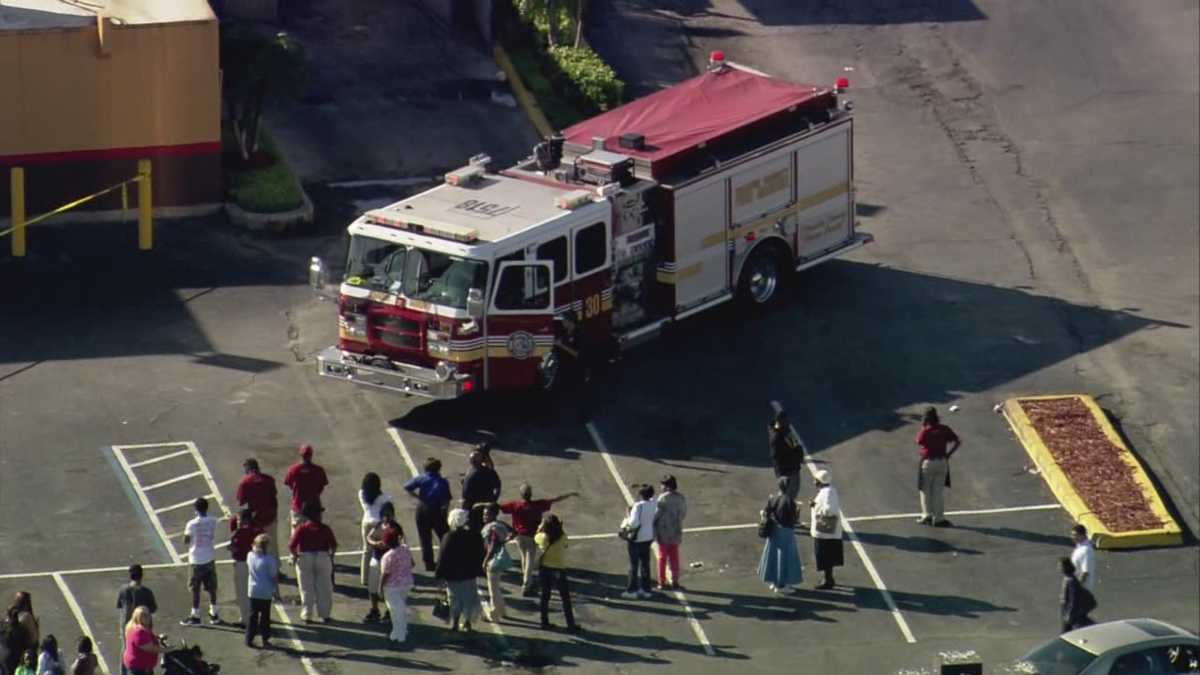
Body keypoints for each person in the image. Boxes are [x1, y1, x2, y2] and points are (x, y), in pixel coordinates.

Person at [500, 484, 579, 597]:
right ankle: (526, 585)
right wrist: (569, 494)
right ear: (531, 494)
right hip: (531, 537)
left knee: (524, 558)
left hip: (519, 536)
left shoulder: (515, 505)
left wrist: (479, 504)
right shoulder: (537, 505)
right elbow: (555, 499)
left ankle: (527, 581)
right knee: (530, 560)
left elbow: (499, 507)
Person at [434, 508, 485, 632]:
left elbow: (442, 557)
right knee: (469, 599)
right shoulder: (474, 535)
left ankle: (455, 624)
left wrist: (439, 575)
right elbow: (480, 553)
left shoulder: (448, 537)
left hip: (453, 576)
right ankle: (467, 623)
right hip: (469, 574)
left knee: (454, 599)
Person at [289, 502, 337, 623]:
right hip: (322, 557)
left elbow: (292, 546)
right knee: (324, 588)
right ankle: (325, 614)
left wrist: (296, 556)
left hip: (305, 557)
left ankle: (307, 615)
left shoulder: (301, 528)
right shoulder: (325, 528)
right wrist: (330, 556)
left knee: (306, 589)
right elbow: (333, 546)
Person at [403, 458, 452, 572]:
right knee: (444, 536)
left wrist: (418, 497)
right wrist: (445, 511)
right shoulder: (442, 482)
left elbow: (407, 486)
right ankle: (446, 560)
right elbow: (447, 499)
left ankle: (428, 563)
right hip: (437, 510)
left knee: (425, 538)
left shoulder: (422, 478)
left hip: (423, 509)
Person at [915, 407, 961, 527]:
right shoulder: (944, 429)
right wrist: (949, 454)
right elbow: (957, 441)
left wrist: (923, 427)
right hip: (942, 462)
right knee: (938, 491)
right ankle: (939, 518)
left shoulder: (926, 431)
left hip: (928, 462)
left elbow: (918, 441)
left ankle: (927, 515)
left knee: (925, 490)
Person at [535, 513, 579, 631]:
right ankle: (570, 624)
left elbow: (536, 537)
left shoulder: (543, 537)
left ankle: (544, 622)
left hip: (545, 569)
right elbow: (566, 545)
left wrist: (540, 528)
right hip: (559, 569)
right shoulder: (563, 536)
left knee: (545, 597)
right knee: (565, 598)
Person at [759, 476, 803, 593]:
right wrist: (798, 511)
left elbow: (766, 512)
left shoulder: (773, 498)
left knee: (773, 557)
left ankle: (774, 582)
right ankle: (781, 585)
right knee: (784, 559)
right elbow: (793, 519)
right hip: (786, 533)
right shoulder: (789, 501)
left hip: (774, 531)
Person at [180, 497, 220, 626]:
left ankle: (195, 615)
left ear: (196, 509)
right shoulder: (213, 520)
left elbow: (186, 541)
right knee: (212, 588)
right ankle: (214, 613)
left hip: (196, 560)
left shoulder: (192, 524)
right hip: (209, 557)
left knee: (195, 589)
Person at [364, 501, 403, 623]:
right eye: (384, 514)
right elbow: (369, 537)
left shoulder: (396, 528)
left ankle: (389, 611)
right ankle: (374, 610)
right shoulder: (378, 525)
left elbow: (401, 542)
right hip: (376, 559)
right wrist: (376, 543)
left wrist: (388, 546)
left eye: (389, 514)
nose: (386, 517)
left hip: (389, 562)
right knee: (373, 587)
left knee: (389, 588)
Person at [236, 458, 280, 561]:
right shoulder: (269, 479)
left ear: (248, 469)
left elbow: (241, 501)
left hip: (256, 521)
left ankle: (259, 568)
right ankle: (275, 568)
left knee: (258, 547)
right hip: (270, 517)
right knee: (272, 545)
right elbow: (274, 495)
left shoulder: (245, 482)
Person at [115, 566, 155, 675]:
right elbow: (152, 608)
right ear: (141, 576)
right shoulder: (146, 592)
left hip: (126, 624)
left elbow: (119, 605)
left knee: (126, 648)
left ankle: (123, 672)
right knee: (146, 648)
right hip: (143, 626)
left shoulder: (123, 590)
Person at [379, 529, 416, 647]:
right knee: (399, 608)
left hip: (392, 587)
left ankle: (399, 635)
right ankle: (400, 631)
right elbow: (412, 564)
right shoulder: (405, 549)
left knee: (395, 611)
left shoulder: (387, 556)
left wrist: (380, 588)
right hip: (406, 584)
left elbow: (385, 574)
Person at [809, 469, 844, 589]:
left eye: (816, 480)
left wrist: (815, 506)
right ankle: (828, 578)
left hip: (825, 532)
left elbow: (829, 510)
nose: (814, 482)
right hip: (828, 532)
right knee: (828, 556)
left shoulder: (827, 493)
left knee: (825, 556)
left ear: (820, 481)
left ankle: (828, 580)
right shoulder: (828, 491)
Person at [621, 484, 657, 599]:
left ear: (641, 495)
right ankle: (646, 590)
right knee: (645, 564)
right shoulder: (654, 503)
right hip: (649, 536)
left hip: (637, 538)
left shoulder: (638, 506)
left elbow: (633, 523)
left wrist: (628, 516)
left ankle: (632, 590)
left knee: (634, 565)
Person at [359, 472, 393, 595]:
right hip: (379, 525)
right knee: (382, 551)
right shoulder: (385, 498)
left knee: (366, 550)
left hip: (366, 523)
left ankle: (364, 578)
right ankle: (382, 577)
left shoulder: (362, 494)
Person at [653, 475, 688, 590]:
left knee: (662, 558)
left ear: (666, 486)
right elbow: (683, 513)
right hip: (676, 531)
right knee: (674, 557)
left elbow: (656, 515)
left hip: (663, 532)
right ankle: (675, 581)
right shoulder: (681, 498)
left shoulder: (662, 498)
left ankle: (661, 581)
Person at [227, 508, 261, 628]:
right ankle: (256, 616)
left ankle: (246, 620)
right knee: (254, 592)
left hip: (242, 564)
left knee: (242, 593)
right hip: (256, 564)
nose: (237, 521)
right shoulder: (258, 530)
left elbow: (233, 547)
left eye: (239, 519)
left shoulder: (239, 532)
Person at [284, 444, 328, 533]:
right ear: (311, 455)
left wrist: (297, 490)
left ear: (301, 455)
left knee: (297, 535)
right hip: (315, 508)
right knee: (315, 535)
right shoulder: (318, 470)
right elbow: (322, 486)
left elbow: (289, 484)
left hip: (298, 506)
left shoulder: (293, 469)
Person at [246, 534, 279, 649]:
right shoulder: (269, 560)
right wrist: (275, 591)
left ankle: (249, 639)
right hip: (265, 592)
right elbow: (274, 577)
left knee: (252, 617)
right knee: (265, 618)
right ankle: (265, 640)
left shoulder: (250, 556)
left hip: (253, 591)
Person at [480, 503, 512, 621]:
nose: (484, 517)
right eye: (484, 514)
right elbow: (513, 531)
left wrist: (485, 561)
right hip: (499, 558)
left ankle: (493, 615)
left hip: (493, 561)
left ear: (493, 515)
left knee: (493, 590)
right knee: (496, 588)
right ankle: (503, 611)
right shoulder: (500, 525)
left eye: (487, 514)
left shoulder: (492, 528)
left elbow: (492, 547)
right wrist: (504, 541)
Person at [461, 450, 502, 530]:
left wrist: (465, 511)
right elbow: (498, 486)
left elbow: (465, 495)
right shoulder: (489, 471)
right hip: (486, 507)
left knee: (477, 529)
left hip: (475, 508)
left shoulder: (472, 475)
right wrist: (494, 500)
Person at [770, 410, 805, 500]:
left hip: (788, 470)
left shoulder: (782, 434)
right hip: (789, 471)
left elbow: (796, 446)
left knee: (787, 495)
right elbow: (796, 447)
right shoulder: (782, 435)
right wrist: (799, 458)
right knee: (789, 496)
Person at [4, 592, 40, 674]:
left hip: (20, 651)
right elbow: (34, 639)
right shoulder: (27, 616)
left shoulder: (22, 617)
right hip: (26, 650)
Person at [1059, 557, 1095, 632]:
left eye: (1061, 566)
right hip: (1067, 610)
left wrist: (1069, 614)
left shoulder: (1071, 580)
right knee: (1071, 629)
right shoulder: (1068, 578)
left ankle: (1094, 627)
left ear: (1066, 567)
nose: (1059, 568)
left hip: (1070, 611)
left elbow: (1073, 599)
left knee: (1066, 632)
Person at [122, 607, 161, 675]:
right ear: (138, 617)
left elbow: (144, 639)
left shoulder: (135, 626)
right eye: (144, 615)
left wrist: (156, 637)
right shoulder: (139, 631)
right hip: (139, 667)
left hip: (138, 665)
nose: (148, 617)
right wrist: (169, 649)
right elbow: (152, 649)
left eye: (148, 614)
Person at [1070, 524, 1097, 592]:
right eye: (1072, 535)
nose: (1073, 537)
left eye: (1075, 535)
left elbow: (1085, 573)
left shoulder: (1086, 550)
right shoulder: (1079, 548)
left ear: (1083, 535)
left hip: (1083, 590)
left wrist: (1077, 587)